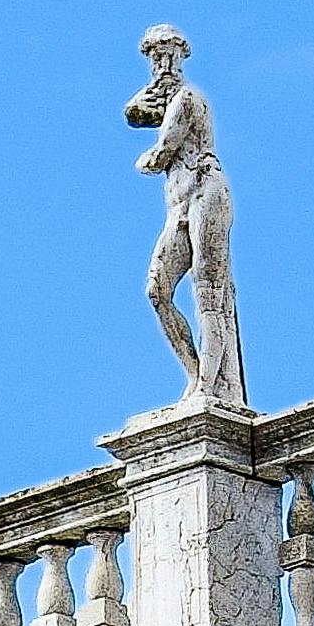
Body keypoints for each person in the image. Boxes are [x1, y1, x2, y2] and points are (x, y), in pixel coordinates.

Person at [125, 26, 245, 412]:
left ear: (181, 55)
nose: (161, 63)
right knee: (156, 290)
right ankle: (195, 375)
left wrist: (145, 157)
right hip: (178, 206)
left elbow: (161, 153)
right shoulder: (169, 97)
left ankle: (212, 386)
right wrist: (154, 91)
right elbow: (131, 112)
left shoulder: (189, 99)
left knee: (208, 289)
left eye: (167, 55)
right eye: (154, 57)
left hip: (205, 191)